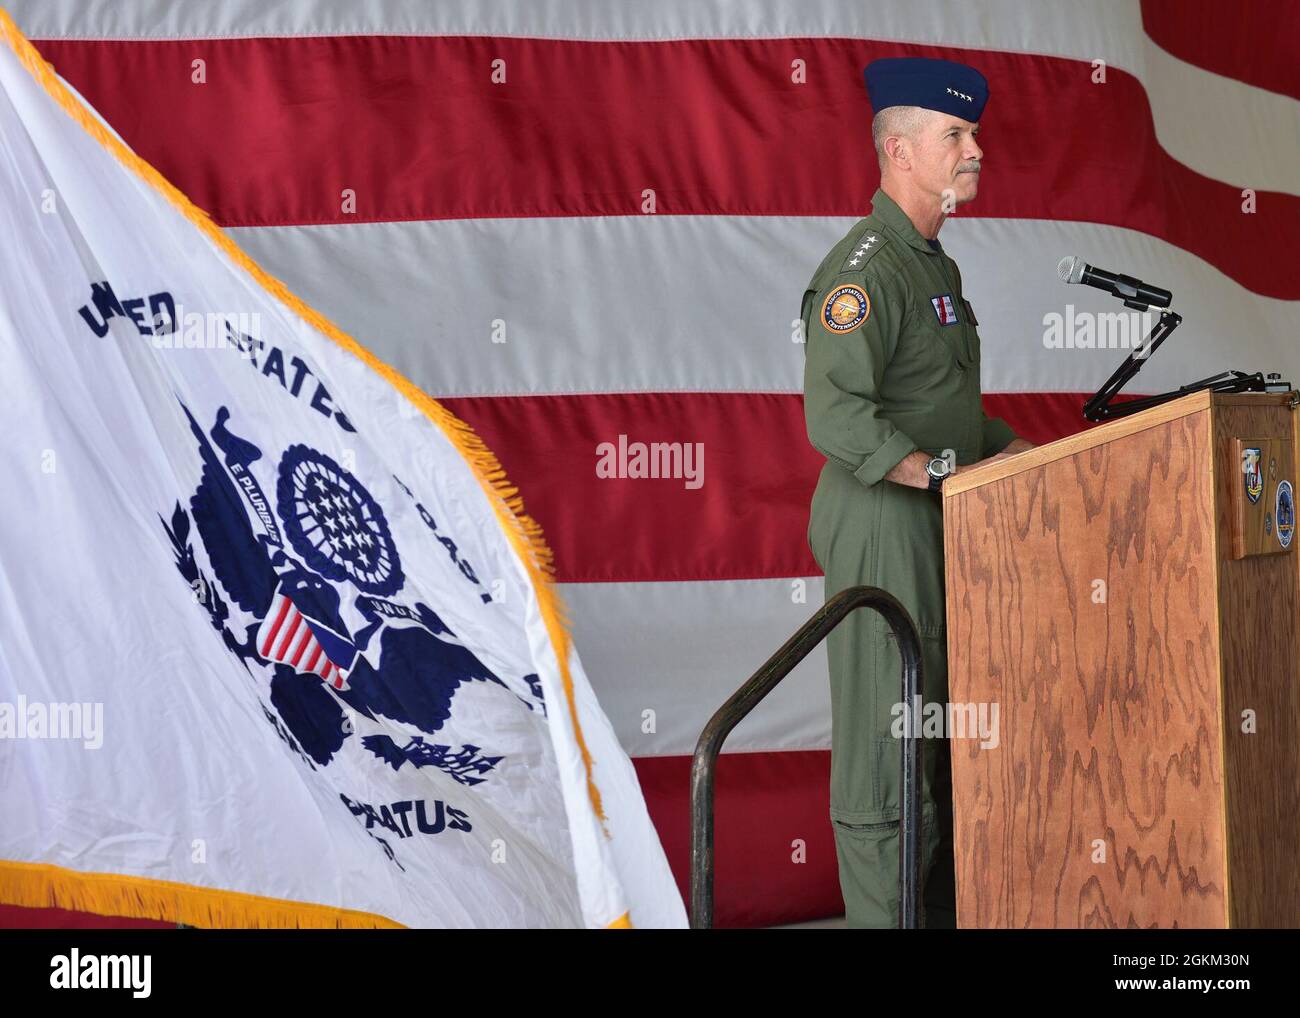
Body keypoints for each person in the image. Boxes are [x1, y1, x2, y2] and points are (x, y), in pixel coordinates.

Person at [800, 56, 1034, 928]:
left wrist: (1026, 457)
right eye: (956, 136)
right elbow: (838, 418)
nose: (976, 148)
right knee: (885, 763)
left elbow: (944, 415)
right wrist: (946, 475)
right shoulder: (865, 271)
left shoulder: (936, 267)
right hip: (883, 530)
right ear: (900, 151)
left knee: (938, 751)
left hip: (939, 530)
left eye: (972, 133)